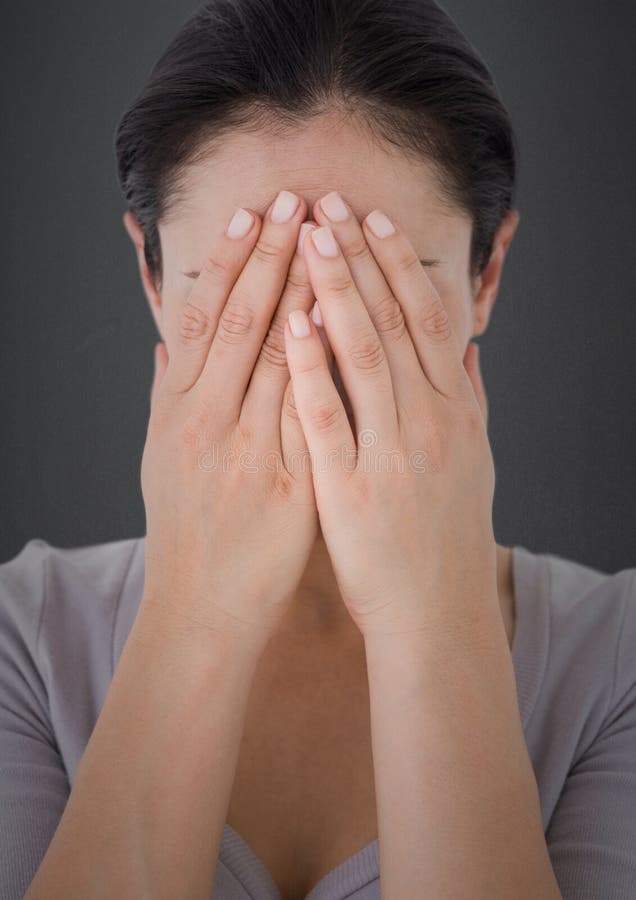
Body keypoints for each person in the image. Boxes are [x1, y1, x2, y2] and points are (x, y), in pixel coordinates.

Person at [1, 1, 635, 898]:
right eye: (244, 296)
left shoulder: (617, 661)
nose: (305, 349)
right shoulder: (22, 641)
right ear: (151, 277)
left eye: (370, 292)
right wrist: (194, 617)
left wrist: (433, 620)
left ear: (484, 274)